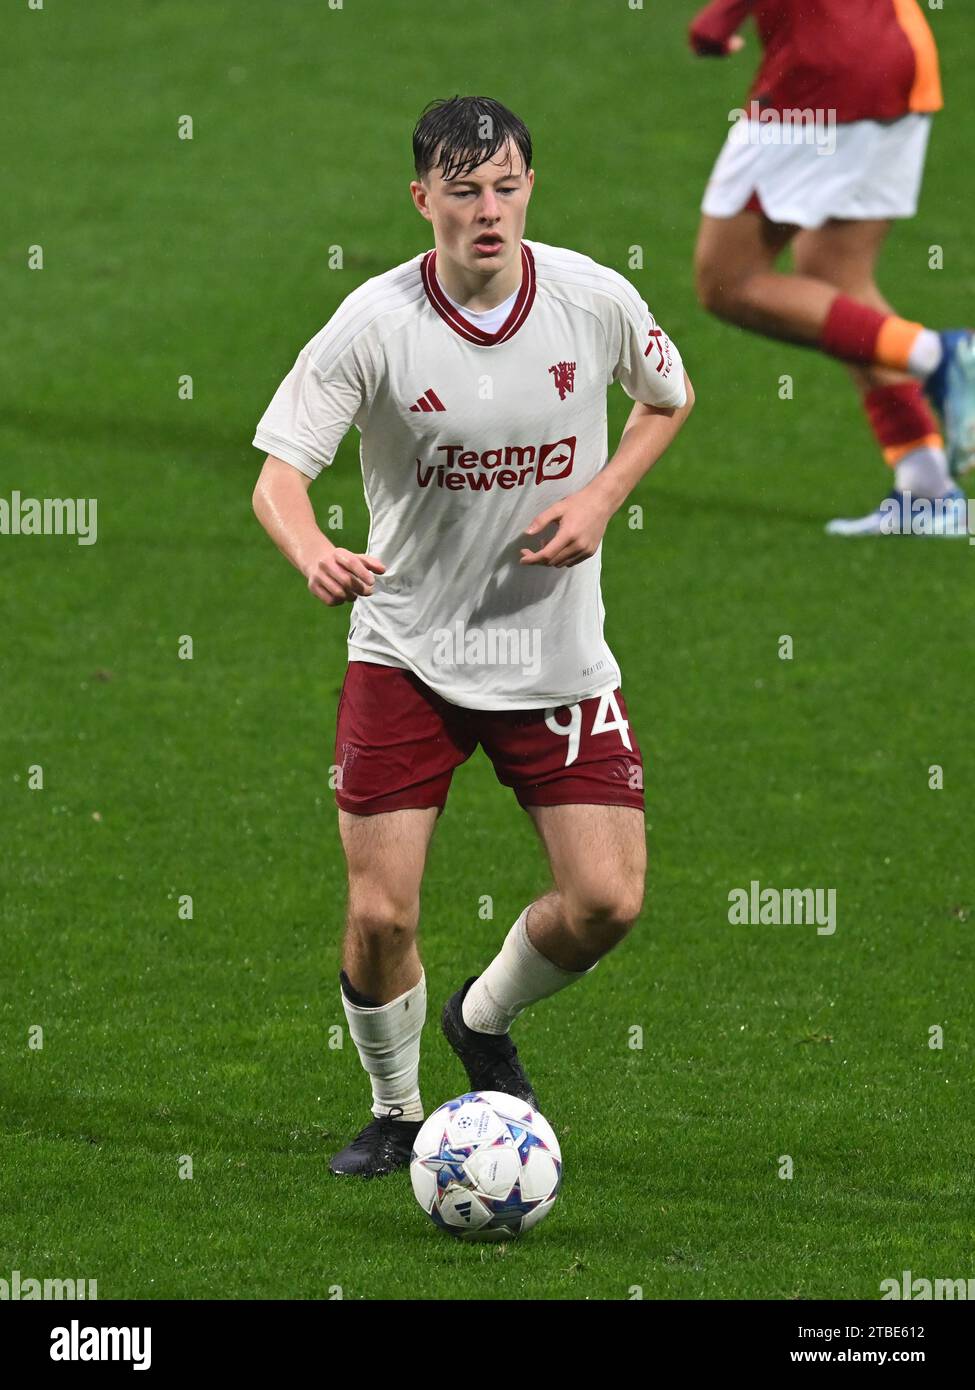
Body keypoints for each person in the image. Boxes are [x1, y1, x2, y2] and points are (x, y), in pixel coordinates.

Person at [251, 96, 695, 1177]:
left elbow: (667, 398)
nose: (488, 211)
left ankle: (482, 1019)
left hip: (553, 655)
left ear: (529, 187)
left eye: (505, 186)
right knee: (379, 914)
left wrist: (599, 499)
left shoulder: (593, 298)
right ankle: (396, 1109)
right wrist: (311, 548)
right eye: (463, 191)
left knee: (607, 900)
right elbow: (277, 477)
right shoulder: (375, 323)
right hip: (408, 651)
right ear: (423, 201)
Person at [690, 0, 973, 535]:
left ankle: (943, 356)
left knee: (729, 281)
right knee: (833, 281)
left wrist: (721, 17)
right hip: (900, 57)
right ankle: (927, 488)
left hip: (825, 73)